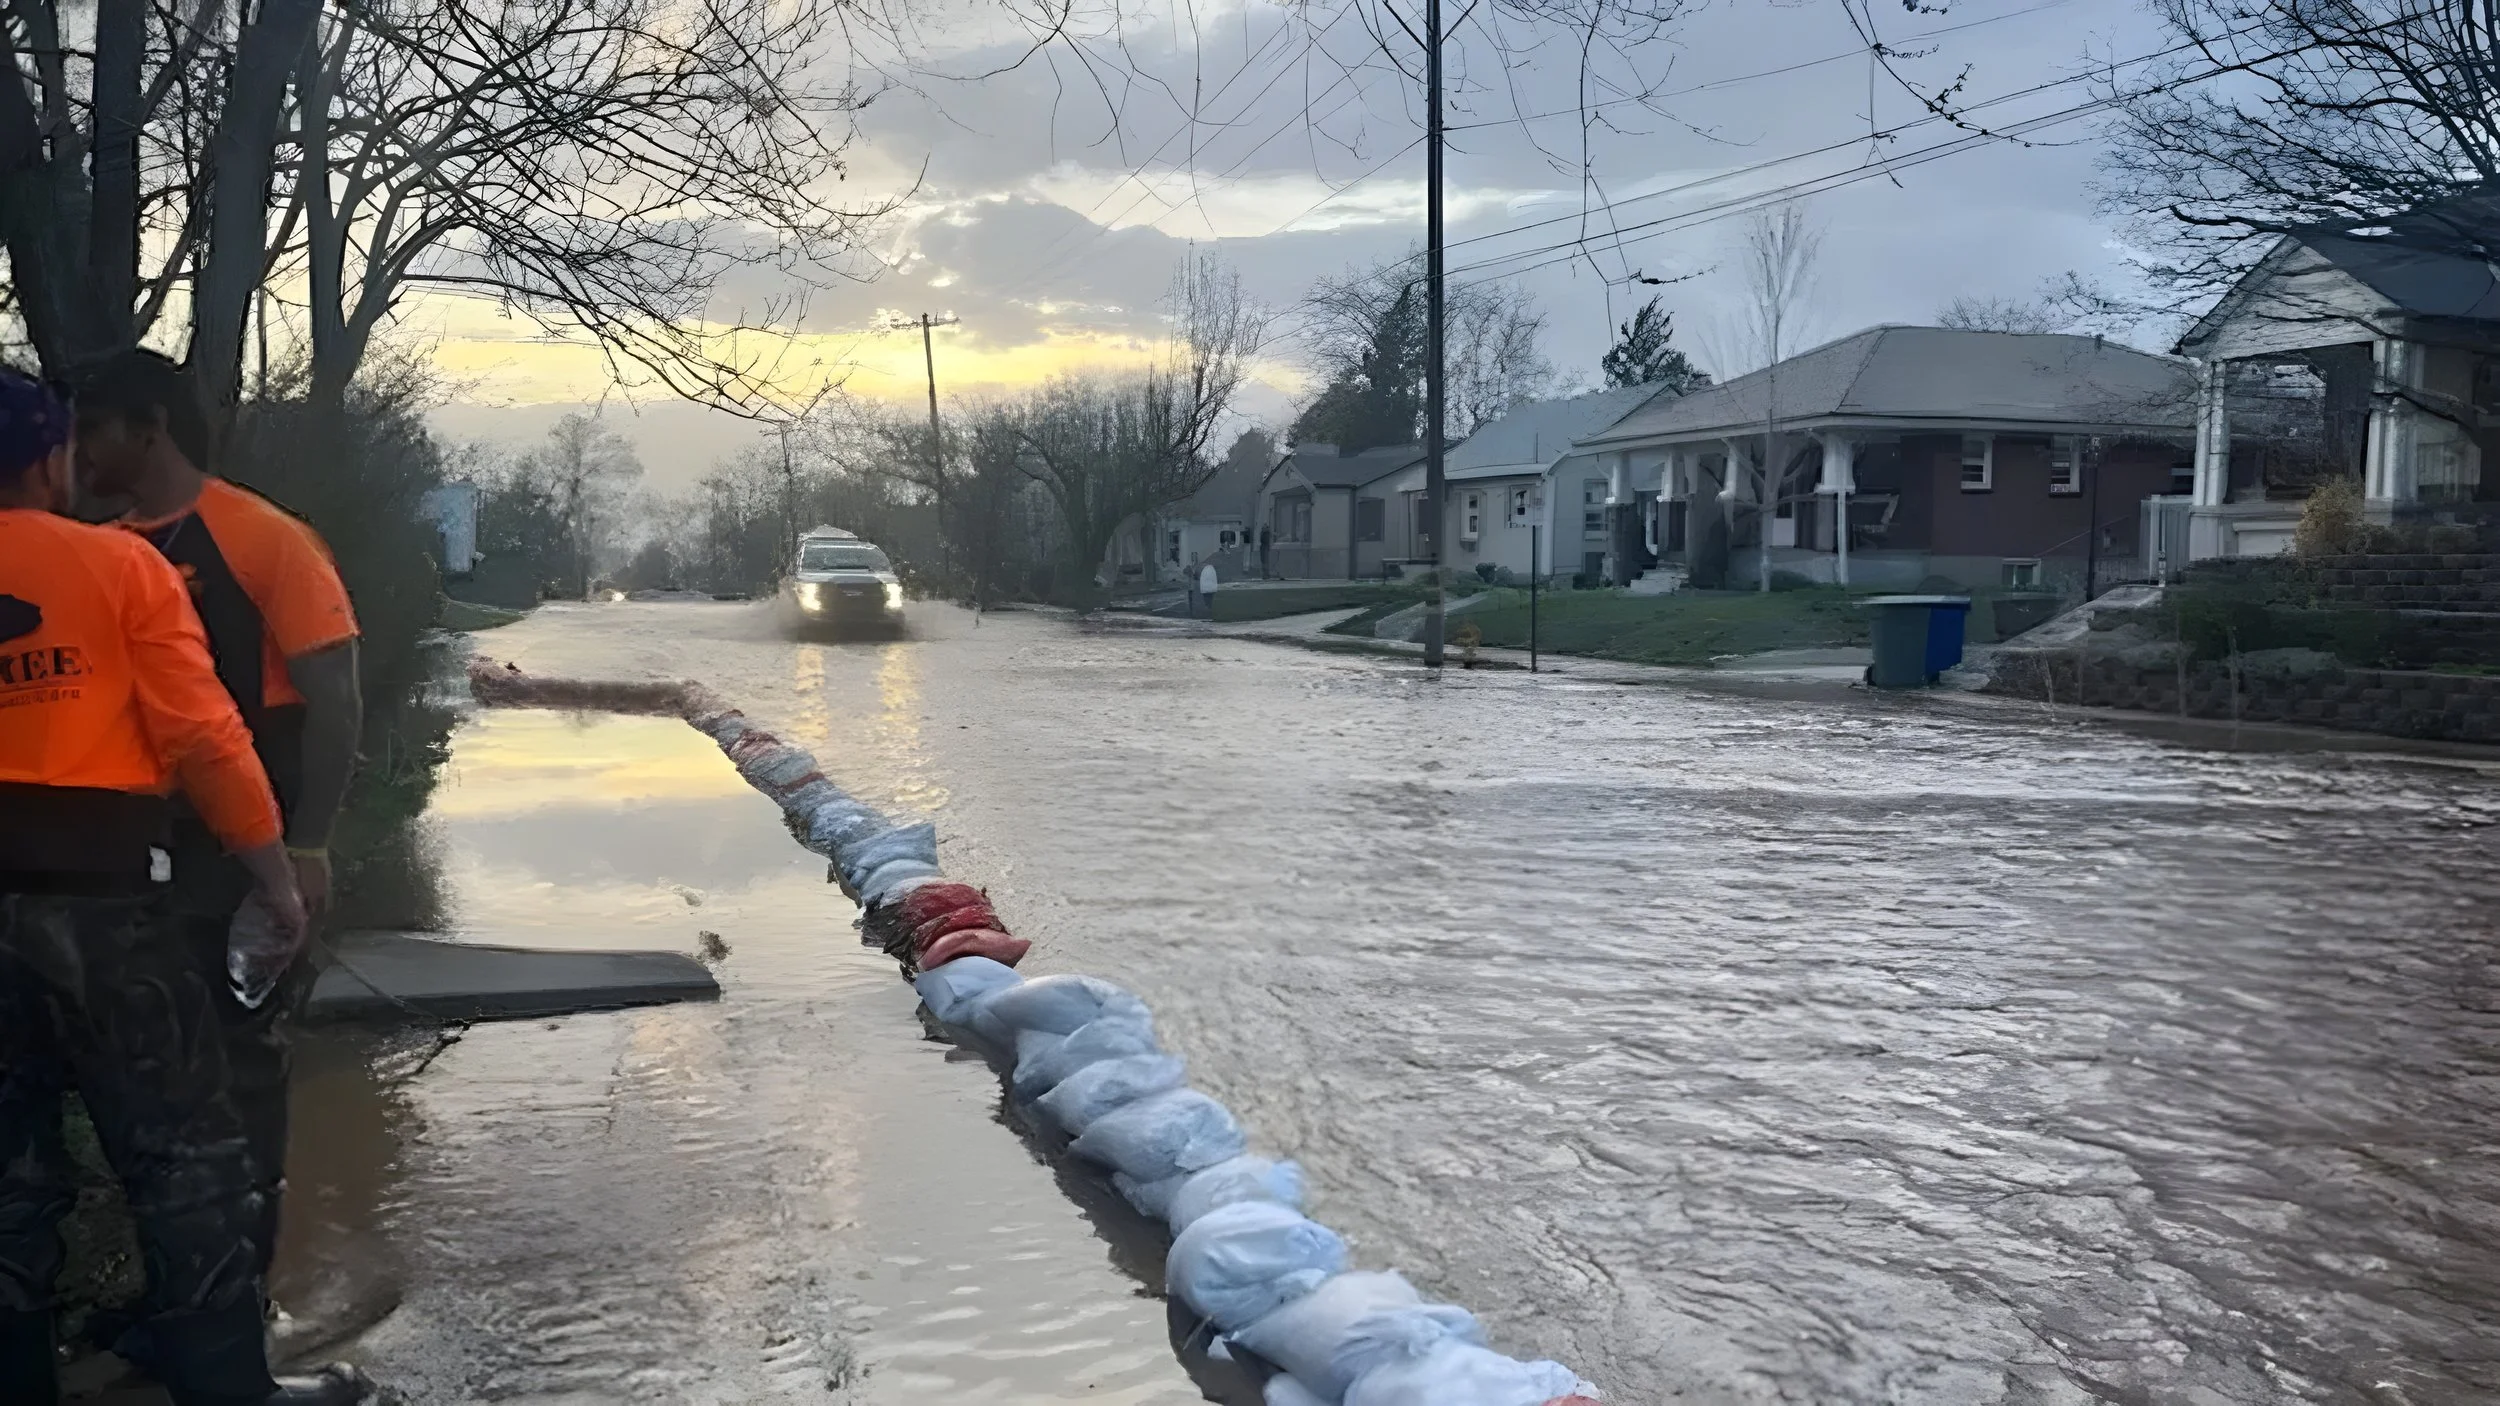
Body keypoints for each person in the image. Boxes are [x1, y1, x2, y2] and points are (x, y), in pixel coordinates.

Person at [0, 368, 356, 1406]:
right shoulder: (118, 565)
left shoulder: (248, 536)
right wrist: (276, 871)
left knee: (9, 1180)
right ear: (48, 458)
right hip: (104, 910)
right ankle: (225, 1385)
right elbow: (204, 734)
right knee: (187, 1162)